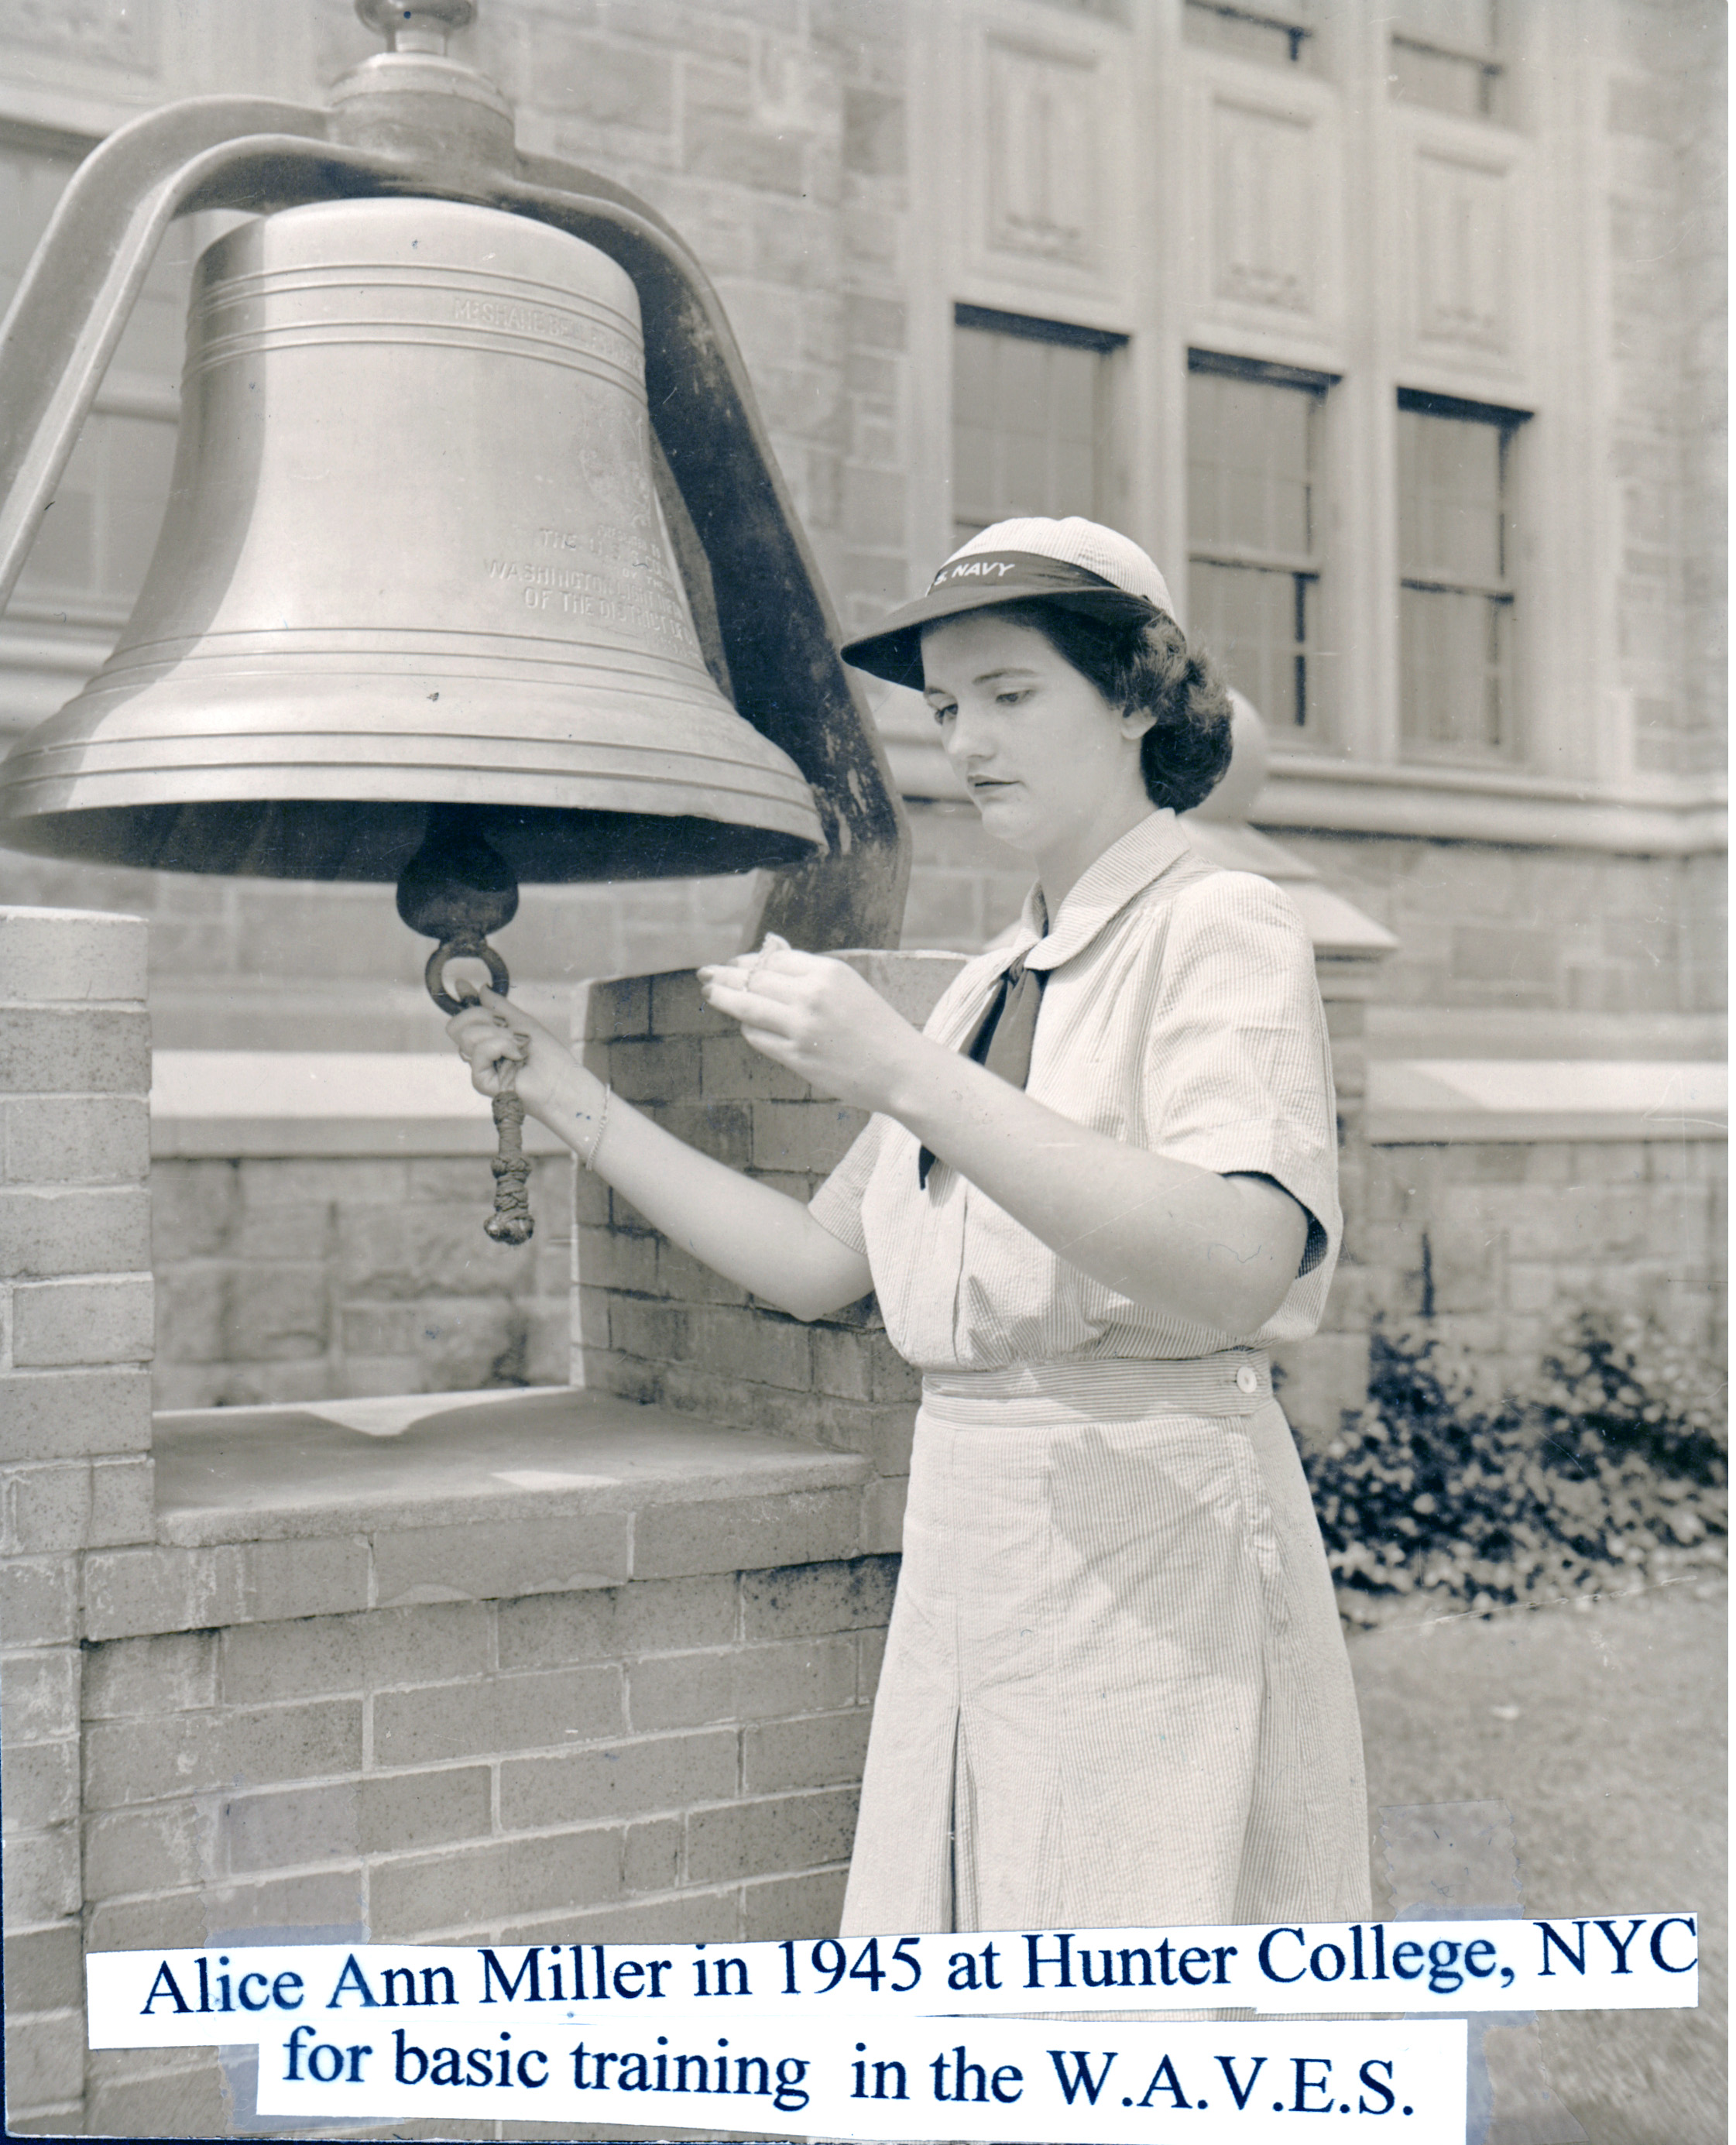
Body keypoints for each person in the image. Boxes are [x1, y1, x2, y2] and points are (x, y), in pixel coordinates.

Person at [447, 515, 1370, 1937]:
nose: (967, 742)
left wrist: (898, 1070)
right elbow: (819, 1266)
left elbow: (1242, 1260)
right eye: (944, 708)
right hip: (971, 1540)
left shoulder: (1216, 921)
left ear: (1136, 694)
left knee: (1138, 1976)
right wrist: (557, 1087)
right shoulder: (989, 981)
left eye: (1010, 693)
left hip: (1150, 1534)